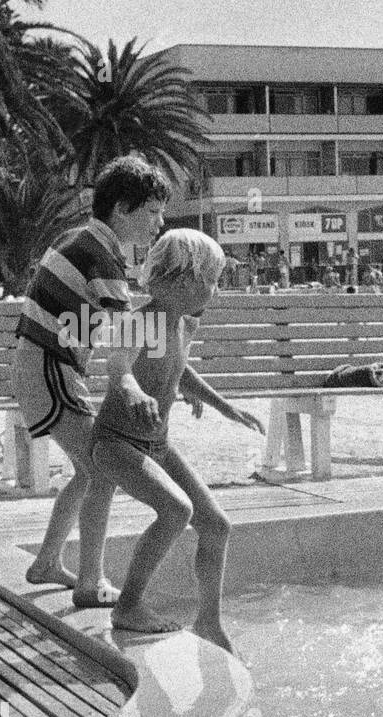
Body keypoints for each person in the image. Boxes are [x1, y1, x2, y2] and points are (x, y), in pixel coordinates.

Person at [89, 229, 265, 652]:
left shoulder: (186, 324)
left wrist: (225, 406)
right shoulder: (140, 321)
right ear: (182, 279)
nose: (216, 291)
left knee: (216, 524)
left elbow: (180, 370)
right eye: (212, 280)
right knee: (175, 510)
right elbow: (119, 365)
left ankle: (208, 621)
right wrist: (130, 389)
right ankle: (128, 606)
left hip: (157, 444)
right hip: (115, 442)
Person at [12, 155, 170, 605]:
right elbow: (129, 332)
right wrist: (173, 311)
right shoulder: (98, 254)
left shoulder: (83, 240)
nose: (159, 223)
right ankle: (89, 581)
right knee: (104, 465)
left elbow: (96, 328)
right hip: (49, 369)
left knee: (89, 468)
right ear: (122, 207)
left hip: (47, 367)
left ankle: (47, 562)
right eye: (153, 211)